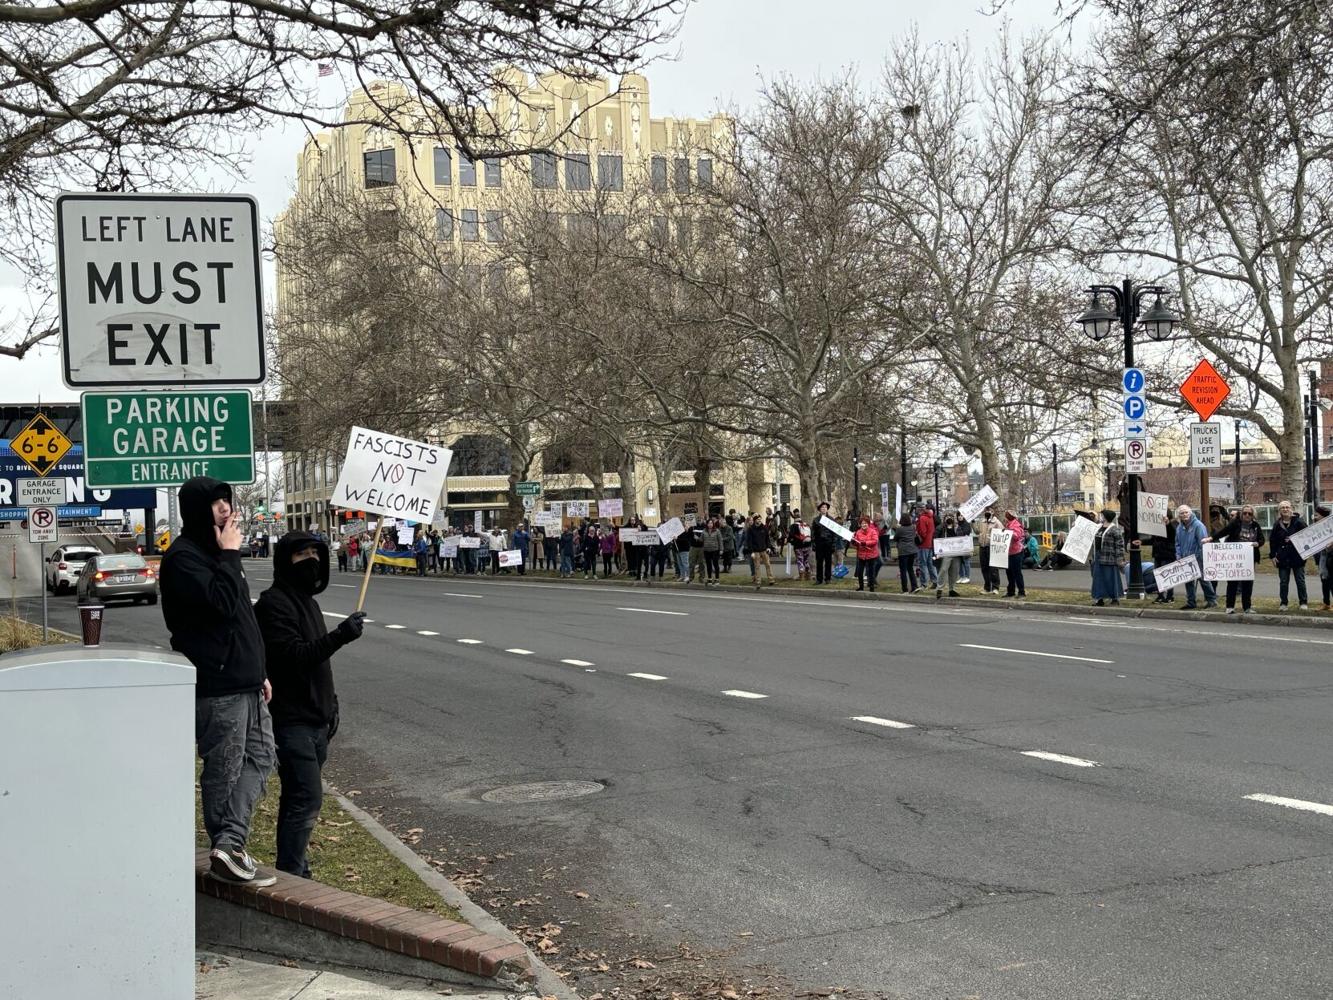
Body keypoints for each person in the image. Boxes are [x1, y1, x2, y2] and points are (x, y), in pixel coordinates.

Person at [160, 476, 276, 887]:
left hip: (245, 680)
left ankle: (230, 843)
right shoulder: (184, 559)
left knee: (263, 757)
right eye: (216, 503)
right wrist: (229, 554)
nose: (226, 509)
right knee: (224, 769)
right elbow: (224, 607)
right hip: (218, 685)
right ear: (197, 511)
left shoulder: (219, 555)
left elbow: (244, 619)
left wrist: (259, 670)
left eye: (227, 501)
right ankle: (225, 849)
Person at [254, 531, 366, 877]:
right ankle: (293, 873)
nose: (310, 561)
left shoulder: (309, 602)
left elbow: (318, 664)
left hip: (317, 721)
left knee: (297, 799)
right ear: (285, 560)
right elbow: (294, 657)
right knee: (306, 800)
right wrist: (340, 635)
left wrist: (330, 707)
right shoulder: (274, 604)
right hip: (292, 722)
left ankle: (295, 867)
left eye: (315, 554)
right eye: (301, 555)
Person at [1211, 504, 1264, 614]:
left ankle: (1247, 607)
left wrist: (1257, 543)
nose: (1247, 515)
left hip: (1249, 558)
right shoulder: (1235, 523)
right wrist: (1211, 538)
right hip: (1234, 558)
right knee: (1232, 583)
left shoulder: (1255, 525)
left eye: (1250, 513)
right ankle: (1230, 606)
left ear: (1253, 515)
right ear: (1241, 514)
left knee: (1247, 584)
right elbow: (1224, 531)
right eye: (1245, 513)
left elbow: (1261, 539)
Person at [1268, 499, 1309, 610]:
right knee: (1283, 582)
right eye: (1283, 508)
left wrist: (1295, 542)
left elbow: (1307, 536)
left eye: (1287, 507)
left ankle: (1303, 602)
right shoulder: (1277, 524)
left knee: (1300, 580)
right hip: (1282, 557)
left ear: (1291, 509)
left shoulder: (1299, 522)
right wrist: (1272, 556)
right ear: (1279, 510)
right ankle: (1283, 603)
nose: (1285, 509)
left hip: (1297, 556)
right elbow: (1272, 541)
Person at [1174, 504, 1216, 609]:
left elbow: (1202, 543)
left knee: (1203, 579)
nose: (1184, 515)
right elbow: (1177, 543)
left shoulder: (1198, 525)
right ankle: (1191, 602)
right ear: (1179, 515)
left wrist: (1197, 556)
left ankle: (1212, 600)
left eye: (1186, 512)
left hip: (1198, 557)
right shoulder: (1179, 528)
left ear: (1190, 513)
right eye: (1182, 513)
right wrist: (1178, 555)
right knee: (1188, 581)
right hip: (1184, 558)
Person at [1091, 509, 1125, 606]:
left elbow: (1119, 546)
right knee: (1098, 579)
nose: (1101, 516)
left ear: (1106, 517)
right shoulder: (1099, 527)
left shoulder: (1114, 529)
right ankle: (1099, 599)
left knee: (1111, 579)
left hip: (1109, 558)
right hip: (1098, 556)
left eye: (1102, 515)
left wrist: (1120, 560)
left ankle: (1115, 599)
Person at [934, 509, 971, 598]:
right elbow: (935, 539)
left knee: (954, 572)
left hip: (956, 553)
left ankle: (952, 589)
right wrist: (936, 552)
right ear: (944, 518)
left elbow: (963, 536)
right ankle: (940, 589)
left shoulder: (958, 528)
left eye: (951, 517)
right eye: (947, 517)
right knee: (943, 570)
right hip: (945, 553)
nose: (949, 518)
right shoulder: (940, 528)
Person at [1150, 514, 1177, 604]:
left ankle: (1170, 596)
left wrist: (1168, 523)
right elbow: (1152, 540)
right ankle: (1161, 596)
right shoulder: (1157, 527)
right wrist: (1141, 541)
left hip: (1167, 555)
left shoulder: (1173, 524)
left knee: (1167, 576)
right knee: (1158, 577)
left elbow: (1173, 534)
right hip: (1158, 555)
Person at [852, 515, 881, 592]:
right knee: (860, 572)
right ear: (860, 524)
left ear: (868, 524)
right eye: (862, 523)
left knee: (870, 572)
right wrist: (853, 542)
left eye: (865, 523)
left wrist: (866, 543)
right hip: (861, 555)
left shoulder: (873, 531)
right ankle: (861, 587)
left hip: (871, 555)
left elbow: (875, 541)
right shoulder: (858, 532)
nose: (864, 525)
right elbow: (856, 543)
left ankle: (871, 587)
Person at [1002, 509, 1026, 599]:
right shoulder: (1008, 525)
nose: (1005, 517)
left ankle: (1021, 592)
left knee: (1017, 573)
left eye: (1007, 515)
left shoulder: (1016, 525)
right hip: (1009, 552)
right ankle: (1011, 591)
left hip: (1016, 552)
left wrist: (1008, 532)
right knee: (1009, 573)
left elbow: (1017, 537)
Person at [745, 513, 774, 588]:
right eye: (758, 519)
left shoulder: (764, 528)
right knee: (757, 567)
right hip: (756, 551)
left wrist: (768, 547)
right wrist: (751, 552)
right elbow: (749, 541)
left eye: (760, 519)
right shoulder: (751, 529)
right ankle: (758, 581)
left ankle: (771, 579)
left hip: (764, 550)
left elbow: (767, 538)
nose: (760, 520)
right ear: (755, 520)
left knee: (768, 565)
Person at [976, 508, 1000, 594]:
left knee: (993, 568)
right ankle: (987, 587)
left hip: (991, 547)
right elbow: (977, 531)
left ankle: (995, 587)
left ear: (993, 512)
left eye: (989, 510)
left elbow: (1002, 532)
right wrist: (972, 524)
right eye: (986, 511)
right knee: (984, 568)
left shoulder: (996, 522)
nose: (987, 512)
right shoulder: (982, 521)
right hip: (982, 546)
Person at [812, 501, 836, 585]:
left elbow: (834, 533)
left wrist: (833, 544)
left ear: (827, 509)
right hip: (819, 543)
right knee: (819, 562)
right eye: (822, 507)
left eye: (825, 507)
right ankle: (819, 579)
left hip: (828, 543)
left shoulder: (831, 519)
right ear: (819, 509)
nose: (824, 509)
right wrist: (813, 544)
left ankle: (828, 578)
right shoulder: (816, 520)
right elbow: (813, 533)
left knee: (828, 562)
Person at [895, 514, 920, 592]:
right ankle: (914, 586)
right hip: (912, 550)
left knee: (903, 571)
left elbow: (896, 538)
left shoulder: (900, 529)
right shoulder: (913, 527)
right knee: (910, 569)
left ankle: (905, 589)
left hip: (903, 551)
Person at [1314, 506, 1333, 610]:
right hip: (1322, 557)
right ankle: (1326, 603)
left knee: (1332, 581)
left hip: (1331, 557)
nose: (1315, 517)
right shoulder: (1316, 527)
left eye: (1316, 515)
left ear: (1323, 516)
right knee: (1324, 580)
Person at [915, 505, 938, 588]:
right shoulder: (930, 517)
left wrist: (918, 534)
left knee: (922, 564)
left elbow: (922, 532)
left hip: (923, 544)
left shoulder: (922, 518)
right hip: (930, 543)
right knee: (930, 563)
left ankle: (924, 583)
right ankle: (935, 581)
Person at [788, 510, 813, 581]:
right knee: (806, 560)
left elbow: (791, 536)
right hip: (808, 545)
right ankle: (808, 575)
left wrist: (790, 541)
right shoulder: (806, 525)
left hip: (798, 546)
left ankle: (801, 576)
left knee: (800, 560)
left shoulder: (793, 526)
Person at [702, 517, 723, 585]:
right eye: (709, 523)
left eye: (711, 523)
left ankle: (717, 579)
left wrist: (721, 549)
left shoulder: (717, 531)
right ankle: (710, 579)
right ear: (707, 524)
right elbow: (701, 540)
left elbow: (720, 540)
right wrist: (696, 537)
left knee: (715, 564)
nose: (710, 524)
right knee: (708, 565)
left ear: (713, 524)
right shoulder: (704, 531)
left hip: (715, 550)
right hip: (706, 550)